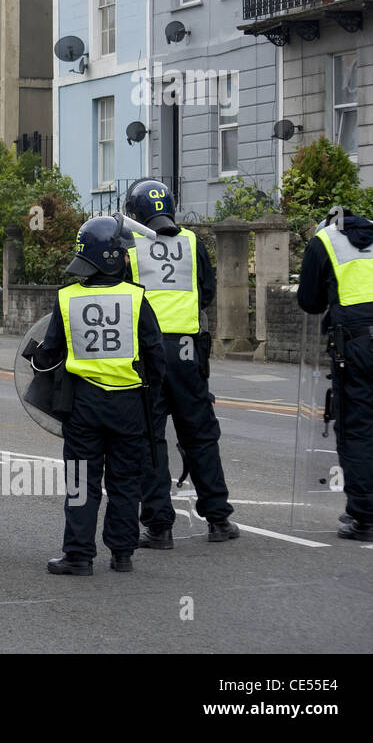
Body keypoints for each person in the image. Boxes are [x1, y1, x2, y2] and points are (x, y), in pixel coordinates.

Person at [32, 214, 166, 575]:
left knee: (81, 481)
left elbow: (48, 354)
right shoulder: (137, 298)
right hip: (129, 404)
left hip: (83, 405)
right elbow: (156, 356)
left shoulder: (67, 298)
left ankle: (78, 555)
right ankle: (122, 553)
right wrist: (151, 402)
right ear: (116, 258)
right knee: (125, 481)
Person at [124, 180, 238, 547]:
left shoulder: (130, 246)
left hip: (148, 354)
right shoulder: (192, 242)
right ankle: (219, 519)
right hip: (189, 351)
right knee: (200, 435)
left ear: (135, 213)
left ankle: (159, 527)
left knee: (151, 439)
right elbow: (205, 292)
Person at [297, 208, 373, 542]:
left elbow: (308, 301)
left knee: (357, 431)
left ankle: (365, 518)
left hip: (356, 346)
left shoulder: (324, 241)